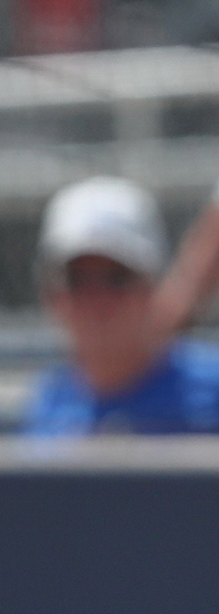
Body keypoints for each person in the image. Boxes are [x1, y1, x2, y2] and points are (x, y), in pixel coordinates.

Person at [27, 176, 219, 435]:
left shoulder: (211, 390)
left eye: (117, 278)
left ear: (152, 287)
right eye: (76, 280)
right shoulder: (49, 404)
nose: (97, 300)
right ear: (51, 294)